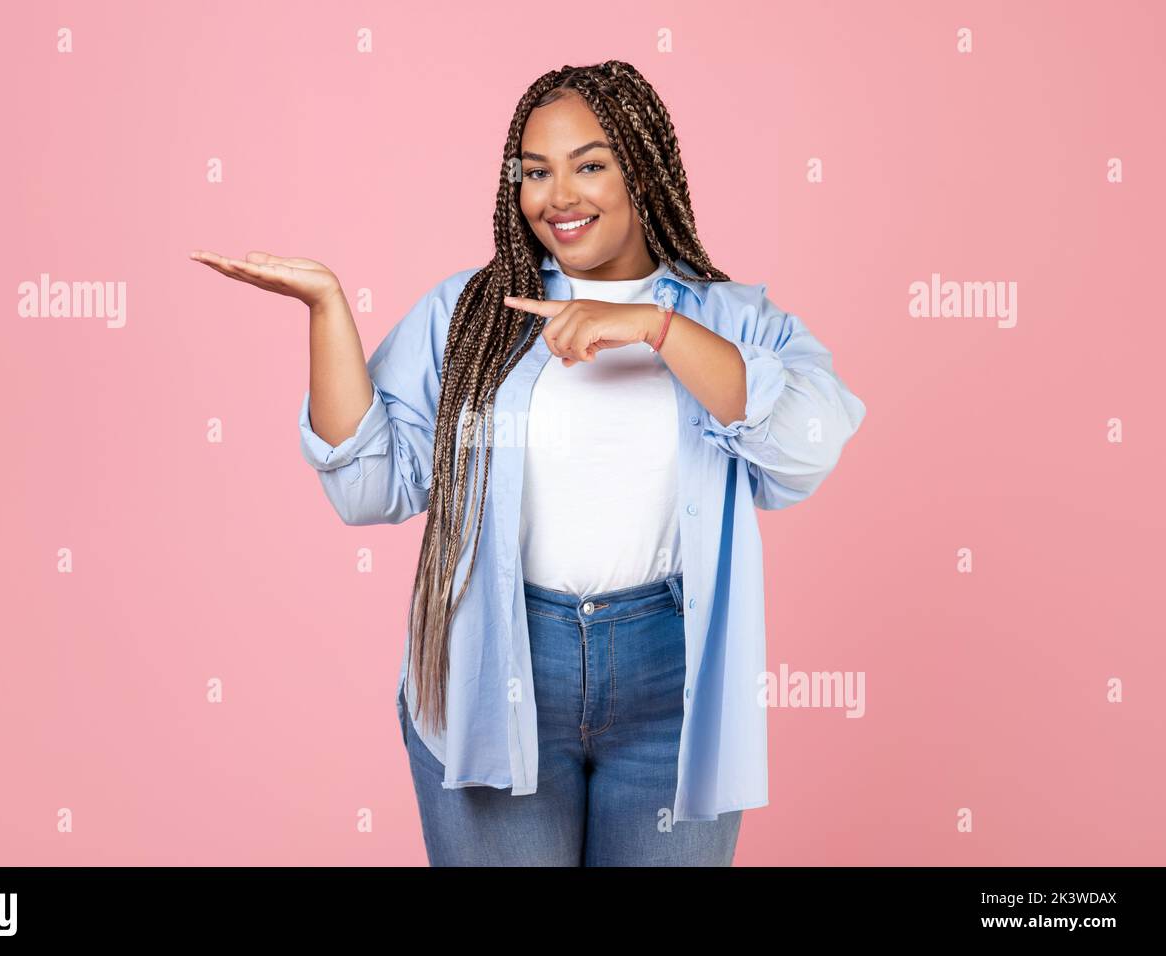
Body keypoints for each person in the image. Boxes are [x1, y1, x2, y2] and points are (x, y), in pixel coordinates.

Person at [190, 60, 866, 866]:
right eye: (536, 173)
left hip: (671, 688)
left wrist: (658, 329)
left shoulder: (736, 321)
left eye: (589, 165)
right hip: (494, 671)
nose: (558, 197)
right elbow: (370, 488)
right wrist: (328, 308)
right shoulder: (473, 312)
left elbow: (804, 448)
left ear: (643, 170)